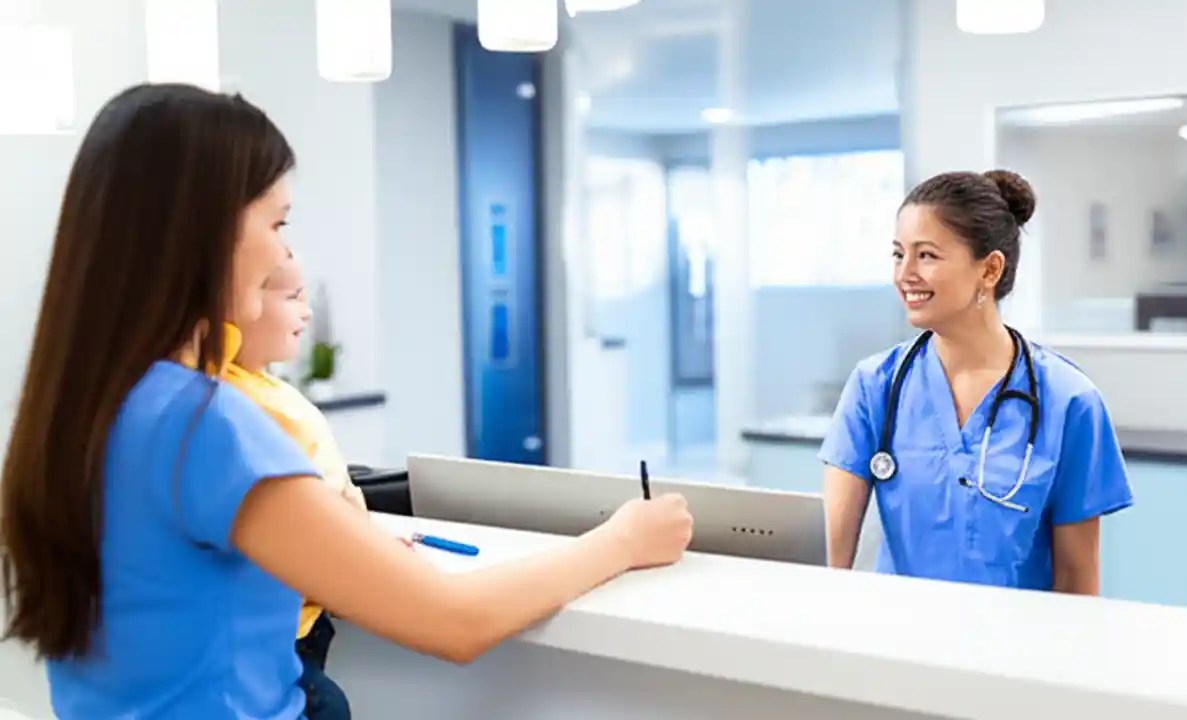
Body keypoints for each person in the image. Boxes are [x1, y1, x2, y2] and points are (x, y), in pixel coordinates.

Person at [0, 83, 693, 719]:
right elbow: (453, 620)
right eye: (277, 224)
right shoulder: (202, 422)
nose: (282, 256)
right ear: (205, 231)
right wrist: (621, 541)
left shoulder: (84, 411)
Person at [820, 169, 1133, 593]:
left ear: (989, 270)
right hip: (896, 643)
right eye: (898, 255)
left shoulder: (1069, 401)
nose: (905, 273)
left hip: (1014, 651)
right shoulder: (875, 386)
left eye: (926, 255)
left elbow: (1078, 579)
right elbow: (832, 565)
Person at [222, 252, 365, 720]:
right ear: (240, 305)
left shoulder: (274, 391)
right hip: (277, 630)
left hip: (308, 616)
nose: (306, 311)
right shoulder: (235, 401)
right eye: (293, 297)